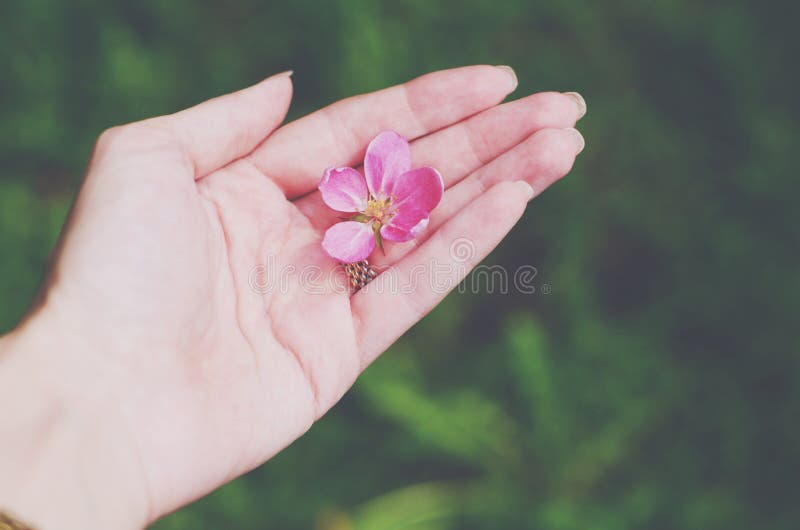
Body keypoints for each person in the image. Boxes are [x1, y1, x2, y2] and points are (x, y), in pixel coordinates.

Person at [0, 65, 585, 530]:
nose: (377, 207)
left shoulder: (387, 221)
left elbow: (408, 205)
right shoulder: (348, 221)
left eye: (383, 206)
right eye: (374, 204)